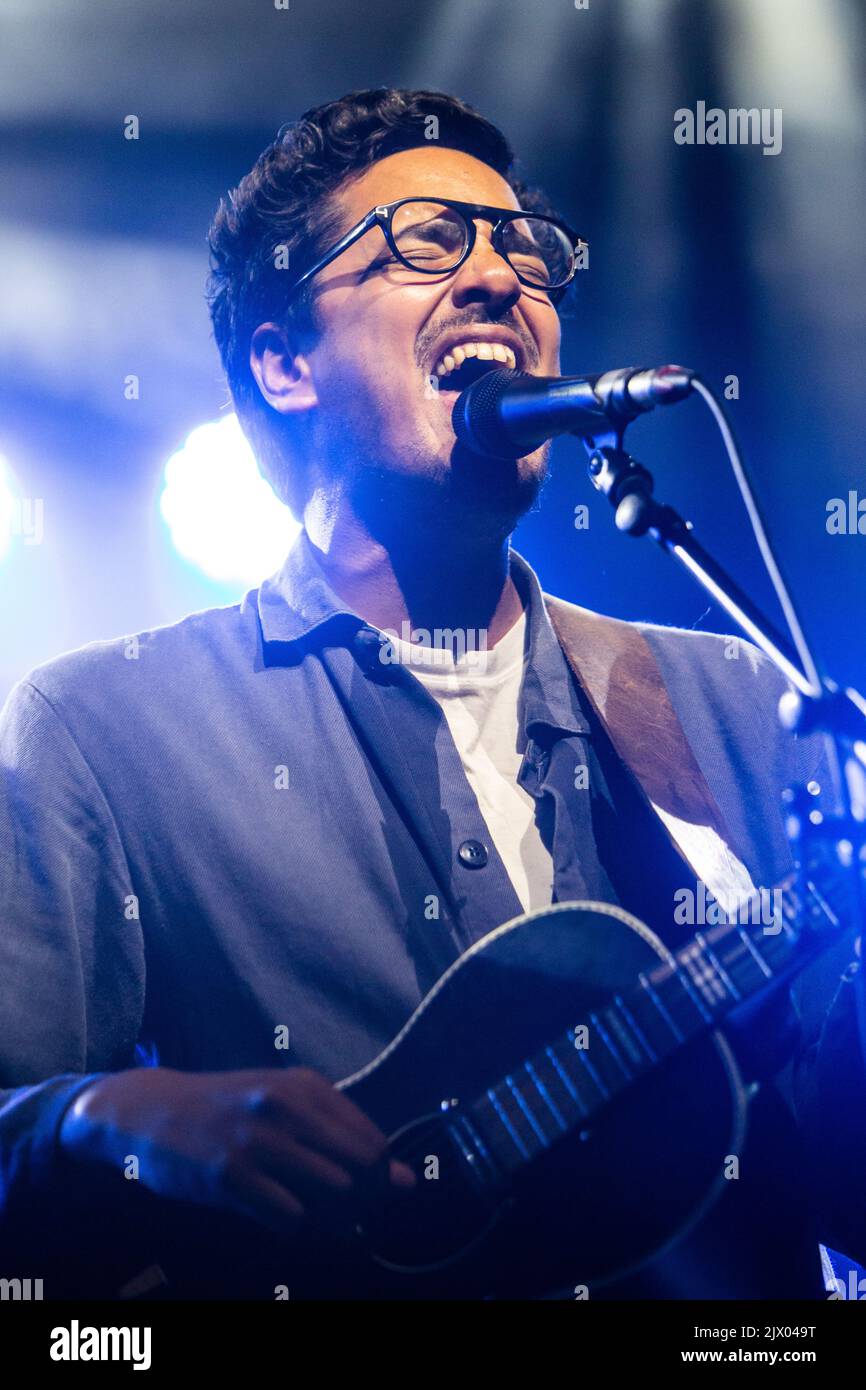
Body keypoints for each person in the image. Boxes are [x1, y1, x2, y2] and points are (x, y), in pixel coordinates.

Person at [0, 87, 861, 1300]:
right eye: (426, 241)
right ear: (284, 362)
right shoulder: (107, 731)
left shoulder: (734, 698)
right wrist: (104, 1117)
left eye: (523, 247)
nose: (499, 277)